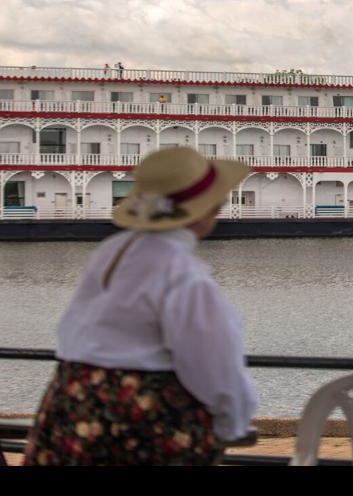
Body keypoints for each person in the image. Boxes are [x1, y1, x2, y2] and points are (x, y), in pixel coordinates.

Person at [23, 147, 257, 465]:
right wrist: (232, 423)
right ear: (202, 212)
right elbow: (215, 366)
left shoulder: (112, 251)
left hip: (71, 400)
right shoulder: (183, 273)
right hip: (139, 417)